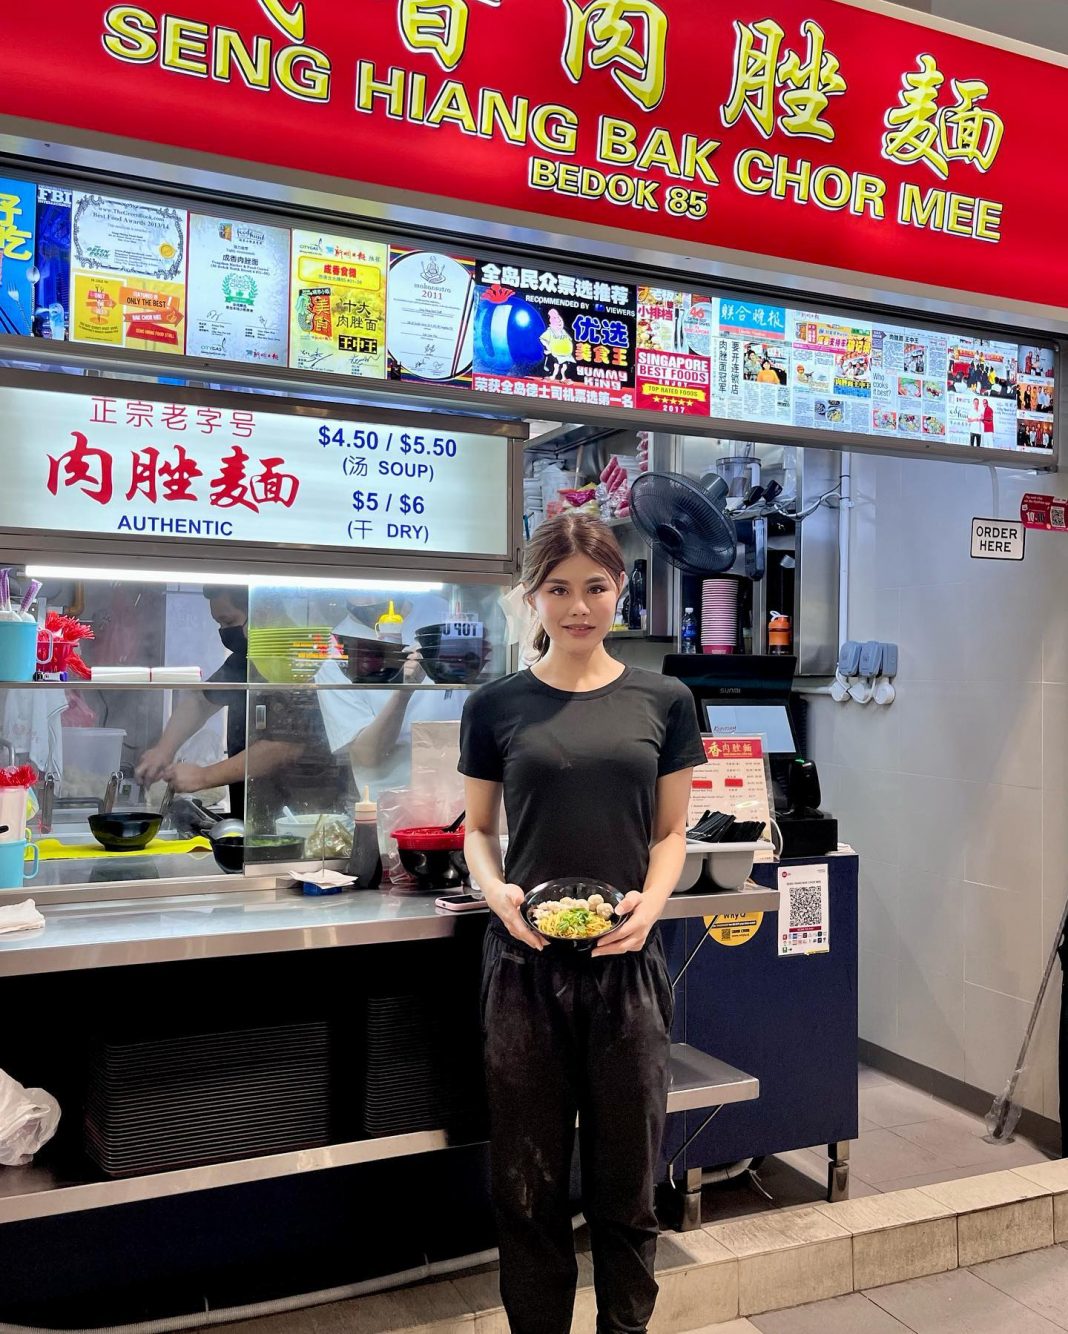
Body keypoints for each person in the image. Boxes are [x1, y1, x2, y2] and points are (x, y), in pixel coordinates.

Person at [460, 513, 705, 1334]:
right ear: (532, 598)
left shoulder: (664, 699)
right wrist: (494, 891)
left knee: (627, 1190)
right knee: (526, 1191)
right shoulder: (495, 705)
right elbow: (478, 832)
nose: (578, 607)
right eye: (558, 589)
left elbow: (671, 834)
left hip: (627, 965)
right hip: (522, 969)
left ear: (620, 592)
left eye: (595, 588)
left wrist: (653, 904)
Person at [316, 593, 470, 798]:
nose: (370, 598)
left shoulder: (438, 610)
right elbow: (367, 754)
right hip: (395, 804)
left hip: (463, 791)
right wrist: (403, 693)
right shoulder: (336, 651)